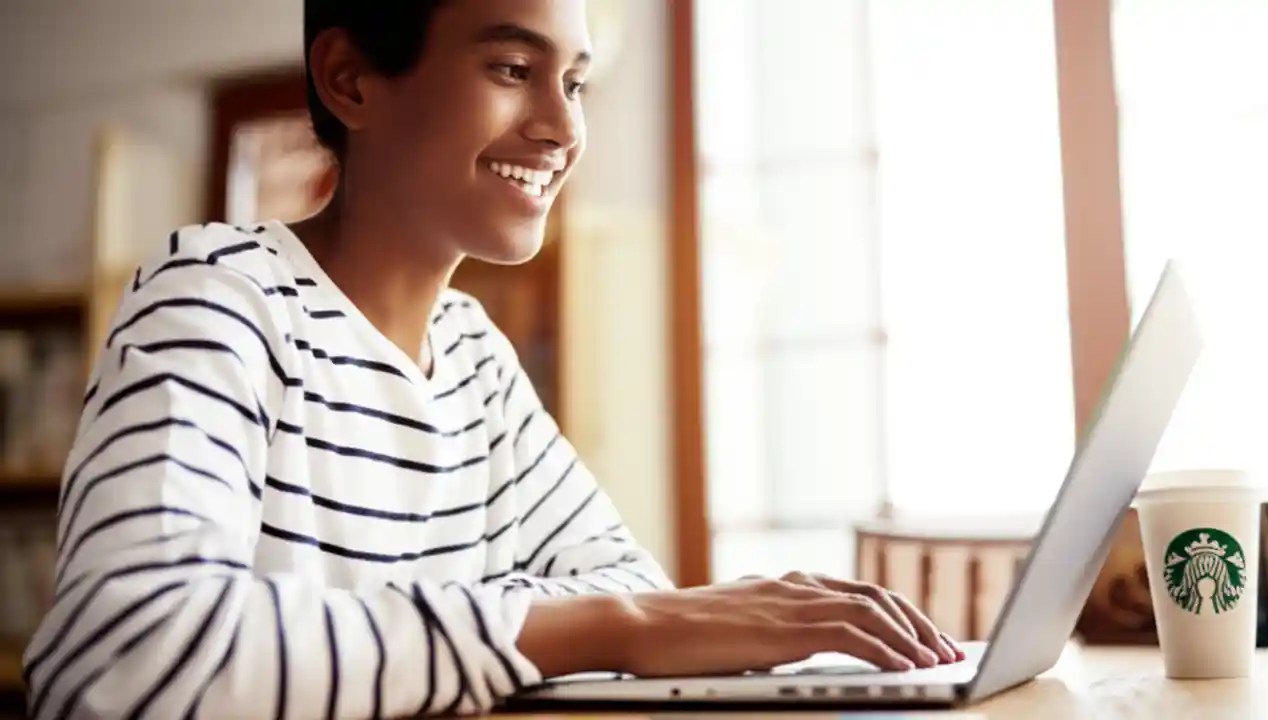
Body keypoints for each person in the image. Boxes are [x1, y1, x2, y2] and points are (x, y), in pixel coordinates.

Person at [23, 1, 961, 717]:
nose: (562, 127)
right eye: (514, 67)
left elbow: (626, 583)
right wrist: (591, 628)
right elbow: (122, 657)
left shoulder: (473, 356)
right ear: (349, 80)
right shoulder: (219, 294)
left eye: (577, 82)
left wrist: (350, 639)